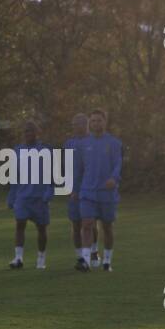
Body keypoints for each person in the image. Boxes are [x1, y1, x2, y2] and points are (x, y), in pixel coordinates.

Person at [77, 108, 121, 272]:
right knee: (87, 224)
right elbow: (78, 170)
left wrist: (114, 178)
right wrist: (74, 189)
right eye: (93, 120)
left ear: (105, 122)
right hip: (87, 192)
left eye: (99, 120)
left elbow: (118, 164)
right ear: (90, 123)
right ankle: (86, 261)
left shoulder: (114, 143)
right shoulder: (83, 144)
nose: (96, 123)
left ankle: (107, 261)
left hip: (107, 193)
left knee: (107, 227)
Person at [6, 120, 53, 270]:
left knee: (41, 228)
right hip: (22, 196)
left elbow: (51, 174)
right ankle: (18, 258)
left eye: (31, 131)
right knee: (20, 224)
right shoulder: (17, 151)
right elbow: (14, 176)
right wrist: (11, 197)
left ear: (37, 133)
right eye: (26, 131)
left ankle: (41, 258)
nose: (28, 134)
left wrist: (49, 191)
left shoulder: (45, 150)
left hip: (39, 197)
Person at [63, 113, 91, 270]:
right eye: (74, 124)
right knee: (75, 224)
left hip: (89, 190)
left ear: (85, 124)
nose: (76, 127)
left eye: (79, 124)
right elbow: (66, 167)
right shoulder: (69, 143)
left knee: (89, 223)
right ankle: (80, 257)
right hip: (73, 191)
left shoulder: (92, 142)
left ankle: (92, 253)